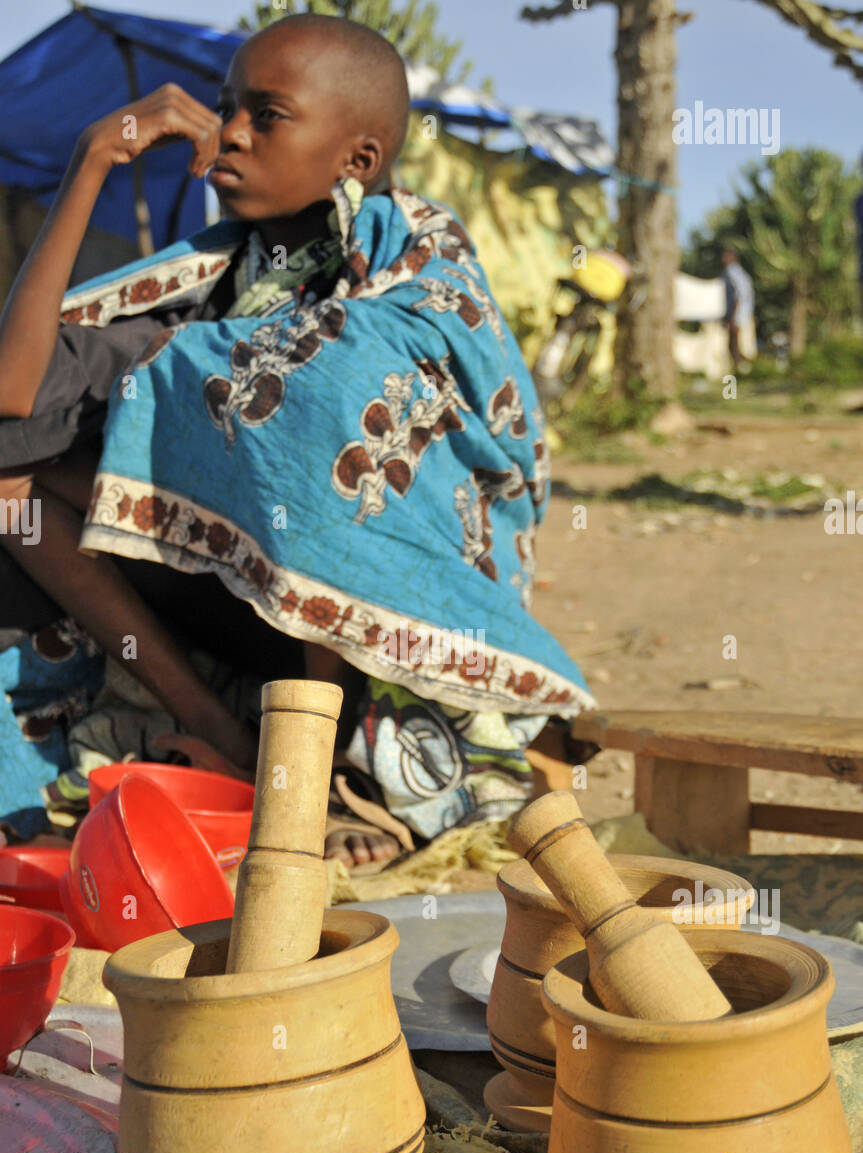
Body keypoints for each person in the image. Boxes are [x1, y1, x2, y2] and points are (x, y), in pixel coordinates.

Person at [0, 15, 593, 865]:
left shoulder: (417, 270)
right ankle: (221, 738)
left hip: (387, 642)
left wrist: (224, 383)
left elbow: (370, 415)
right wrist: (91, 160)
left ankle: (310, 784)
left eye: (267, 115)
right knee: (12, 479)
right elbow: (13, 393)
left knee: (312, 403)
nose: (229, 132)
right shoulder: (211, 284)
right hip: (238, 610)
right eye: (225, 107)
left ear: (358, 160)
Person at [721, 248, 755, 371]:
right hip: (740, 312)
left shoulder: (732, 272)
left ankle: (740, 367)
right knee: (734, 342)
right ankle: (739, 367)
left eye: (726, 256)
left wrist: (733, 316)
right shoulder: (739, 272)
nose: (723, 259)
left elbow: (738, 295)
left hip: (737, 313)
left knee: (735, 341)